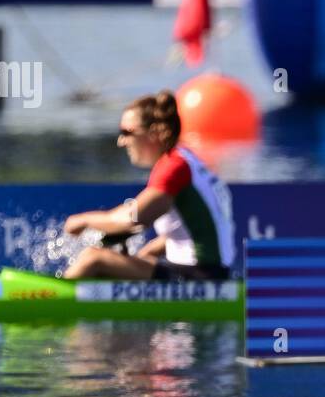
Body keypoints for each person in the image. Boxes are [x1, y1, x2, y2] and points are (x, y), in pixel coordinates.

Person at [62, 91, 235, 281]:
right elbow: (192, 231)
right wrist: (145, 254)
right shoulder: (186, 159)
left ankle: (51, 302)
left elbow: (133, 218)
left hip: (201, 278)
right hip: (207, 273)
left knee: (93, 258)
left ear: (153, 133)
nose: (121, 142)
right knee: (134, 259)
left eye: (126, 132)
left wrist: (84, 220)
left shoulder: (173, 167)